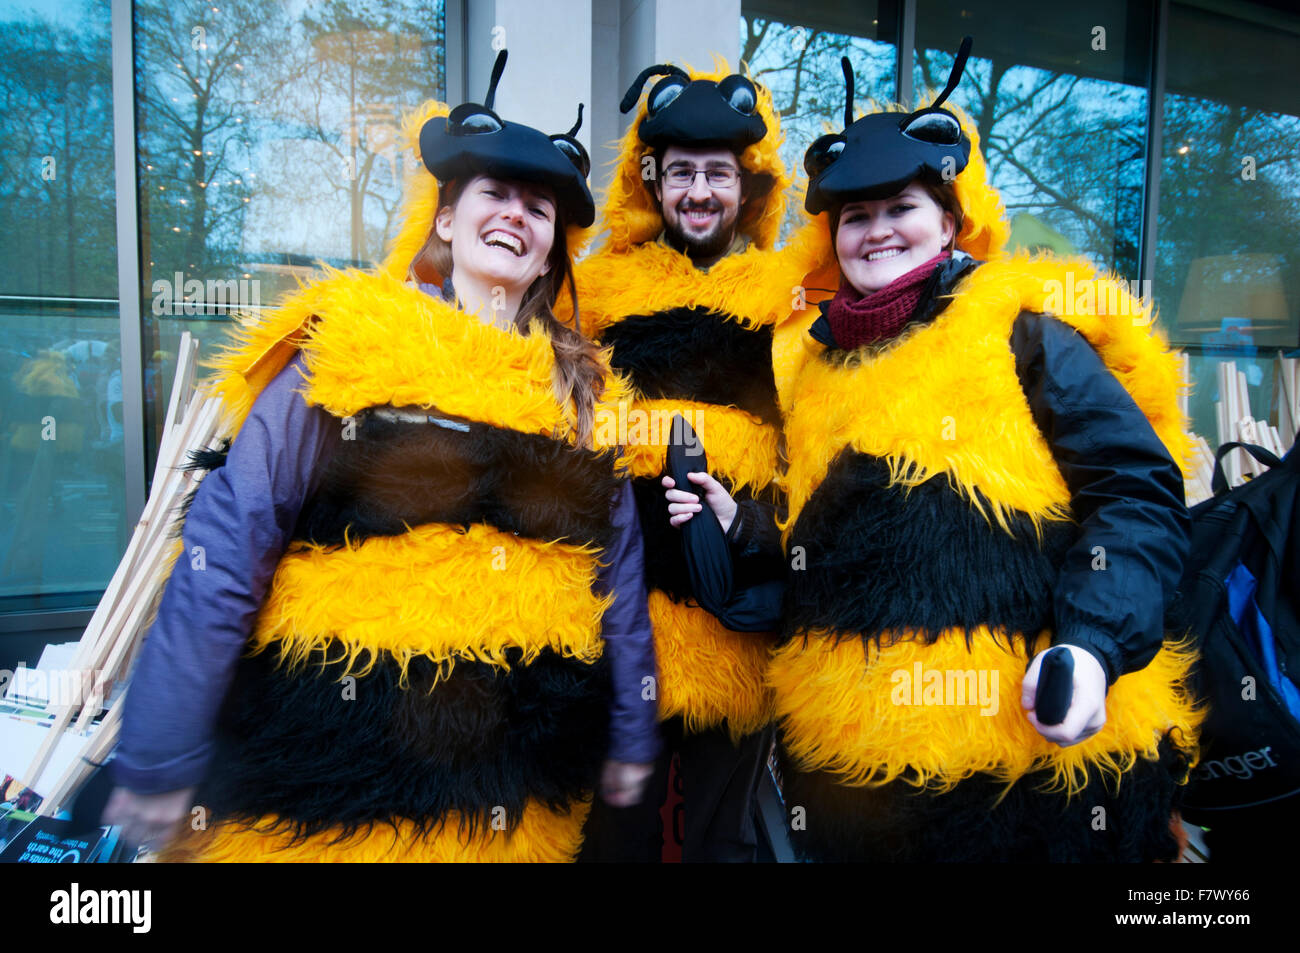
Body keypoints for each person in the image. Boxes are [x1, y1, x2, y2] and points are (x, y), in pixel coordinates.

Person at [102, 51, 659, 862]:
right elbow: (230, 539)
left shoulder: (583, 397)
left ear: (550, 251)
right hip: (327, 796)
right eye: (495, 194)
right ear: (444, 218)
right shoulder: (354, 348)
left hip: (506, 802)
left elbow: (621, 587)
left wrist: (632, 733)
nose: (516, 215)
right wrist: (159, 752)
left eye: (539, 208)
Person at [666, 41, 1202, 861]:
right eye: (855, 217)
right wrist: (745, 528)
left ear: (950, 220)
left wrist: (1094, 647)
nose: (876, 232)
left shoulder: (1021, 329)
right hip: (864, 792)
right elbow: (834, 558)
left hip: (1032, 775)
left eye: (899, 210)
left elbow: (1135, 492)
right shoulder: (815, 368)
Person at [569, 62, 826, 862]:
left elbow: (817, 456)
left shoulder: (786, 292)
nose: (700, 192)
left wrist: (750, 525)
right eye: (681, 172)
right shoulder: (598, 289)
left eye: (718, 172)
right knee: (613, 837)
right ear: (652, 182)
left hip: (732, 634)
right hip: (620, 629)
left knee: (725, 839)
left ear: (747, 185)